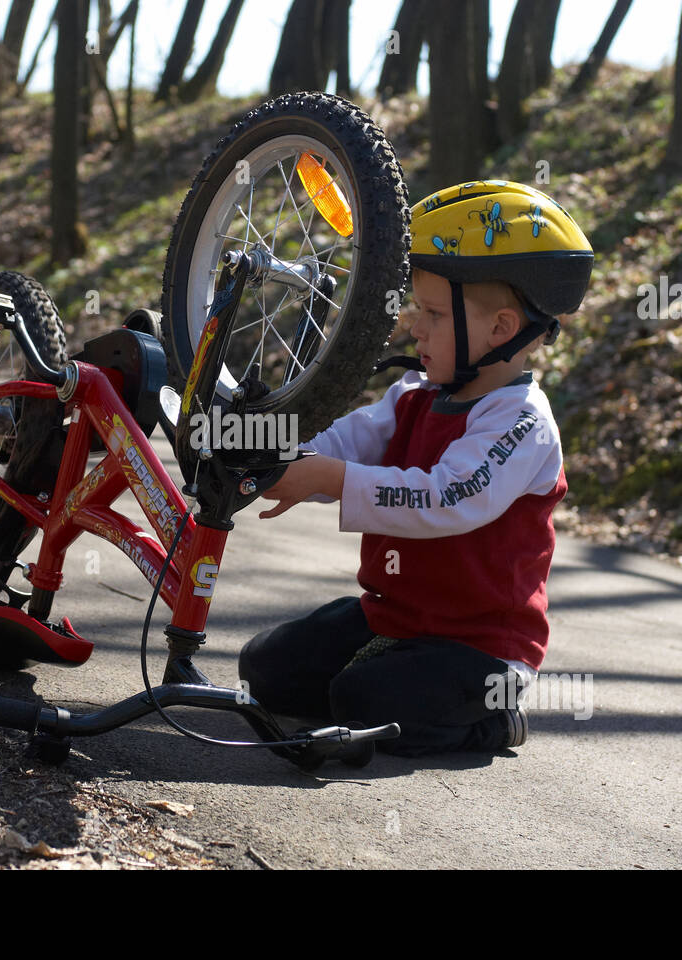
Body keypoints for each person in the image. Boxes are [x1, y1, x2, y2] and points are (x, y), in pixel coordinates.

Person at [239, 180, 594, 756]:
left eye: (431, 313)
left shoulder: (522, 422)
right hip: (395, 620)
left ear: (500, 329)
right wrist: (280, 450)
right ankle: (385, 681)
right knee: (266, 669)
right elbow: (345, 440)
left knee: (363, 701)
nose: (415, 328)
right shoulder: (415, 395)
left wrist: (332, 480)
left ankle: (496, 718)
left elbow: (446, 498)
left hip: (479, 647)